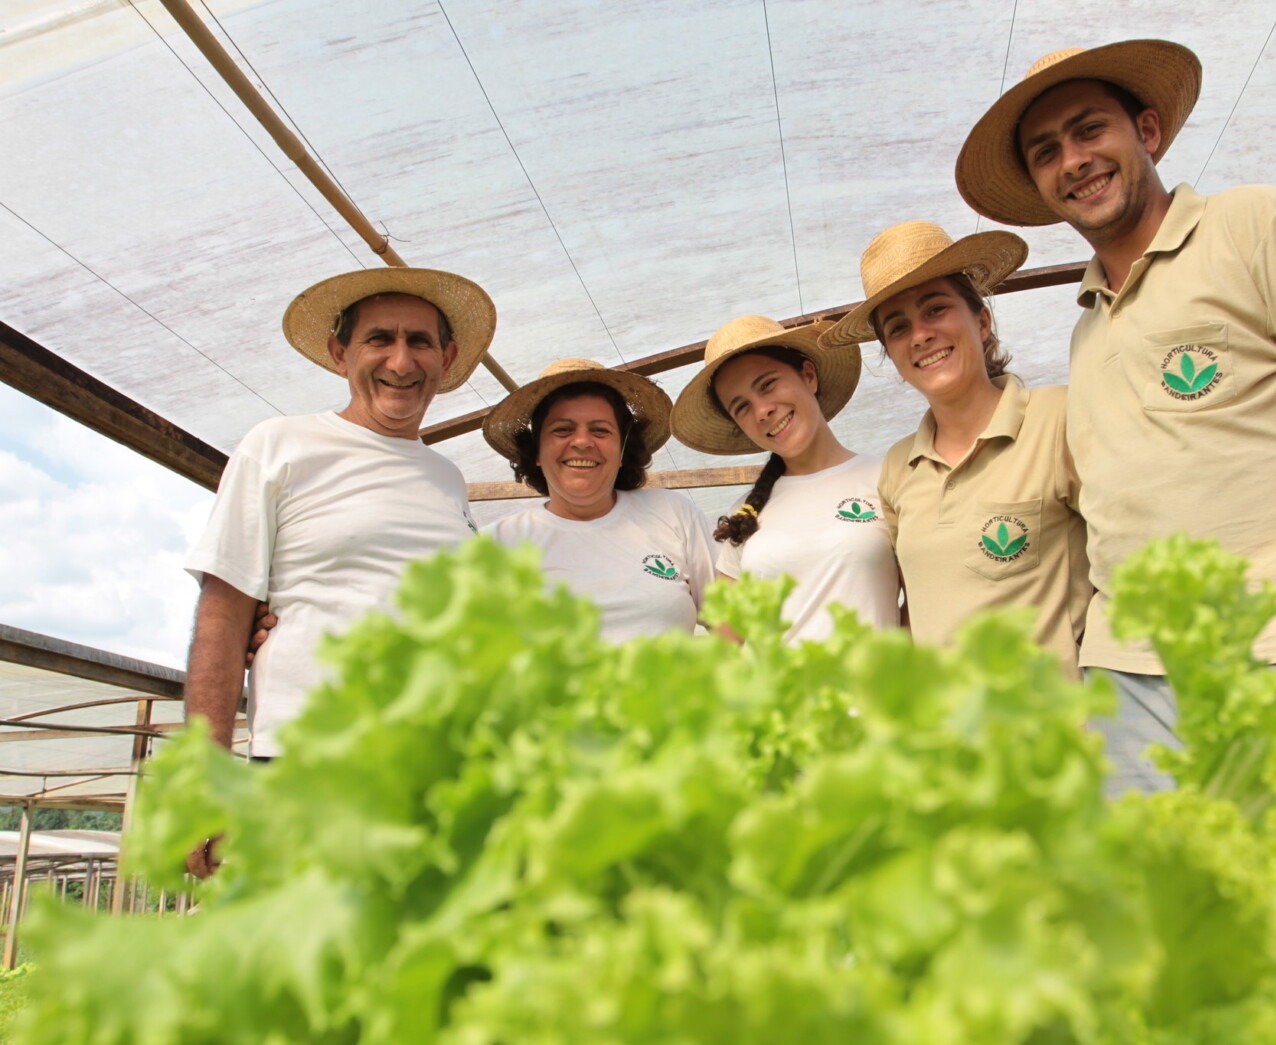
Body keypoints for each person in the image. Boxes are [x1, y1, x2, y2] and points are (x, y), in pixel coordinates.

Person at [954, 40, 1276, 780]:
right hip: (1132, 682)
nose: (1072, 160)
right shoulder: (1086, 329)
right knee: (1176, 897)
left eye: (1088, 130)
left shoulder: (1252, 225)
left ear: (1146, 131)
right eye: (1046, 151)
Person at [183, 267, 493, 873]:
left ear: (447, 358)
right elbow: (223, 616)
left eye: (420, 342)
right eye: (380, 339)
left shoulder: (446, 479)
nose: (401, 362)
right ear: (340, 352)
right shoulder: (279, 445)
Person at [822, 221, 1091, 670]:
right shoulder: (898, 467)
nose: (921, 335)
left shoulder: (1060, 418)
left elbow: (1127, 557)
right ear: (893, 356)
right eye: (898, 327)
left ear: (982, 321)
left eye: (936, 309)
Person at [669, 314, 899, 644]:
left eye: (768, 385)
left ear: (808, 376)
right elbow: (728, 638)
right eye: (742, 407)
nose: (762, 410)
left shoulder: (888, 478)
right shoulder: (744, 514)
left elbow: (923, 603)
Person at [482, 359, 713, 642]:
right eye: (562, 429)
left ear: (622, 449)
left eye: (600, 430)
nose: (582, 442)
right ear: (536, 453)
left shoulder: (673, 513)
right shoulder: (497, 545)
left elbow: (731, 620)